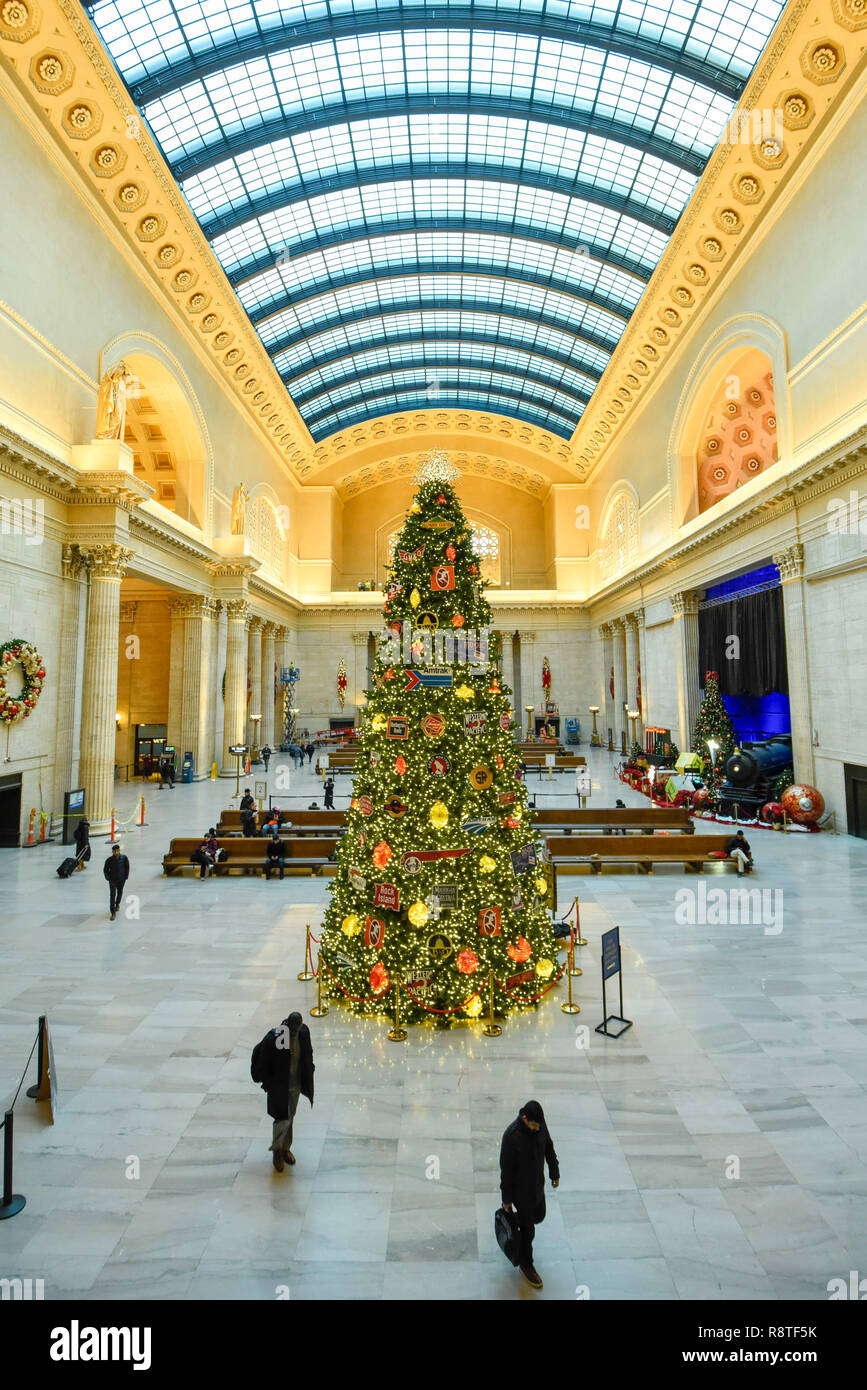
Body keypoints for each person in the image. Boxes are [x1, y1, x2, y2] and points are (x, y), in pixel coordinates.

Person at [499, 1100, 560, 1290]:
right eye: (533, 1124)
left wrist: (554, 1171)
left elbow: (548, 1147)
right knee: (529, 1230)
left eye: (538, 1125)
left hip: (537, 1186)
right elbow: (506, 1171)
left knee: (539, 1216)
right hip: (521, 1193)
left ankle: (518, 1223)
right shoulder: (512, 1137)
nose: (536, 1128)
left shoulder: (539, 1126)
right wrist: (506, 1200)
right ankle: (526, 1264)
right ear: (525, 1119)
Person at [252, 1011, 315, 1170]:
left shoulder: (303, 1032)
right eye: (292, 1030)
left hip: (295, 1083)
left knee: (290, 1116)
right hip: (280, 1086)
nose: (294, 1032)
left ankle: (286, 1148)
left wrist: (310, 1069)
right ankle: (277, 1151)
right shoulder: (278, 1036)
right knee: (282, 1119)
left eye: (296, 1029)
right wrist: (267, 1082)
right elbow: (264, 1060)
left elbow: (308, 1053)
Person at [103, 843, 130, 920]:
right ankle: (113, 912)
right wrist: (108, 878)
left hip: (121, 879)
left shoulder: (124, 858)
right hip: (112, 880)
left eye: (117, 851)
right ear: (112, 852)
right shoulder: (109, 860)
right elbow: (105, 870)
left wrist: (126, 877)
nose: (116, 853)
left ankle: (117, 903)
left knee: (120, 892)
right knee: (112, 895)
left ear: (119, 850)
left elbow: (127, 867)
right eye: (114, 851)